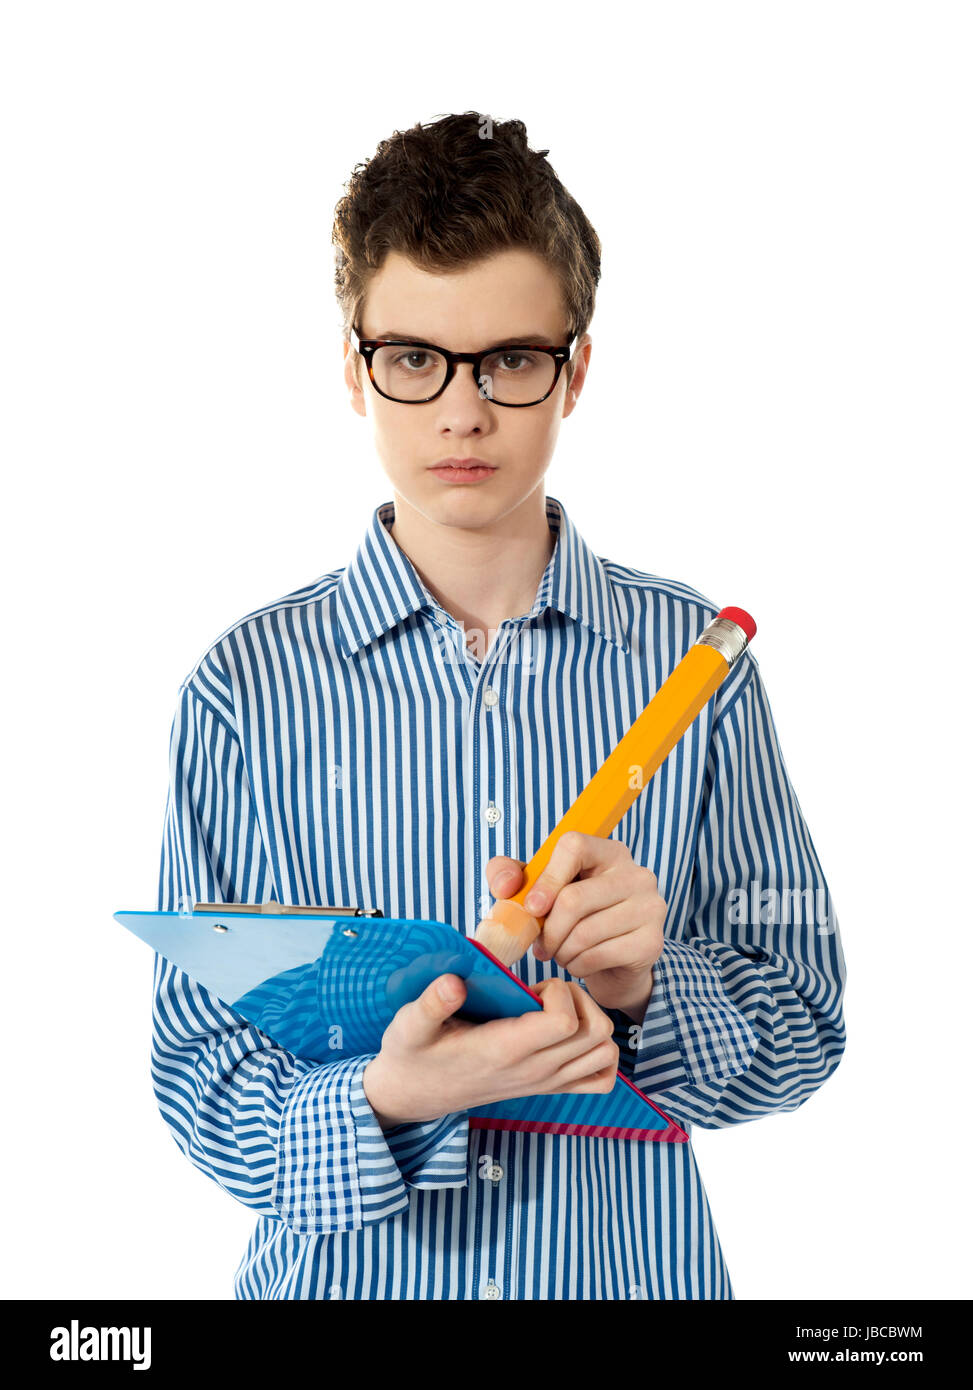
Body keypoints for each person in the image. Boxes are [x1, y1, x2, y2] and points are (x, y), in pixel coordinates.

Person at [151, 110, 846, 1300]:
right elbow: (201, 1080)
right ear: (353, 368)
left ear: (573, 369)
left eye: (509, 361)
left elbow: (801, 1026)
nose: (460, 412)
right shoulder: (245, 685)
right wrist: (390, 1098)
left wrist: (648, 987)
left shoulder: (694, 661)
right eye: (413, 358)